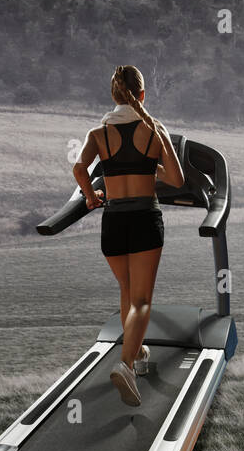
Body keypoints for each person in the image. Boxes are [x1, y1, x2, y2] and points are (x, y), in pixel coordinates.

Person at [72, 65, 184, 405]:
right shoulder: (154, 130)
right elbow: (177, 181)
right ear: (142, 95)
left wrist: (90, 196)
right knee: (143, 301)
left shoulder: (97, 134)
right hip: (144, 220)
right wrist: (153, 167)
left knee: (126, 292)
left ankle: (136, 352)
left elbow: (79, 169)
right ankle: (125, 364)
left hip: (114, 222)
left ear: (113, 95)